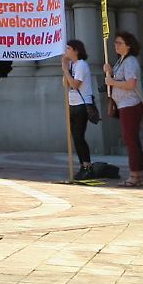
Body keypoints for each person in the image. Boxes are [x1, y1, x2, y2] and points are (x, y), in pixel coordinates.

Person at [104, 32, 143, 187]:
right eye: (116, 42)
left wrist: (112, 81)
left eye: (120, 43)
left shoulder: (130, 62)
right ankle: (137, 173)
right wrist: (110, 71)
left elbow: (130, 84)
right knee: (131, 140)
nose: (116, 45)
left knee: (131, 140)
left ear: (128, 45)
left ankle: (135, 174)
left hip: (130, 104)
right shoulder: (120, 61)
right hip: (123, 105)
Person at [61, 39, 95, 179]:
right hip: (72, 104)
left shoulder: (81, 65)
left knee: (78, 136)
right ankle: (82, 165)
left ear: (76, 50)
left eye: (68, 48)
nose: (66, 51)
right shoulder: (73, 65)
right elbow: (66, 84)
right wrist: (66, 68)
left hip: (82, 104)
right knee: (75, 137)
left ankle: (87, 165)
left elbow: (75, 84)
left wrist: (65, 70)